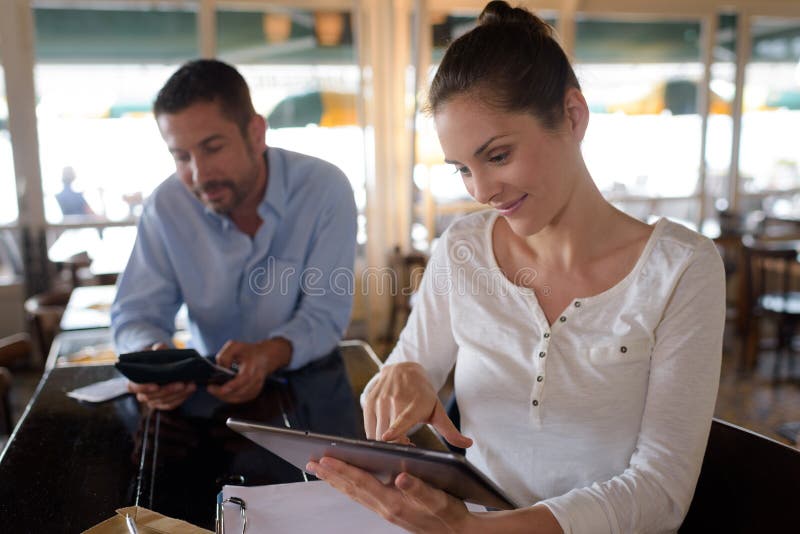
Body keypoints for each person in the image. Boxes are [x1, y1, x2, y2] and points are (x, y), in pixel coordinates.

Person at [307, 2, 724, 532]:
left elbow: (662, 493)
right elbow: (402, 377)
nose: (481, 191)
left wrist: (477, 530)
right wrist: (401, 376)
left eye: (498, 156)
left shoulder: (683, 269)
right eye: (462, 169)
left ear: (572, 116)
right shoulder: (463, 249)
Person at [111, 59, 357, 410]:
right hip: (205, 397)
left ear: (256, 133)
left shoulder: (324, 189)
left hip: (306, 386)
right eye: (181, 157)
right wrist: (151, 358)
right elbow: (135, 314)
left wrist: (270, 354)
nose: (199, 175)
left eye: (213, 148)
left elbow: (326, 313)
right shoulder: (166, 206)